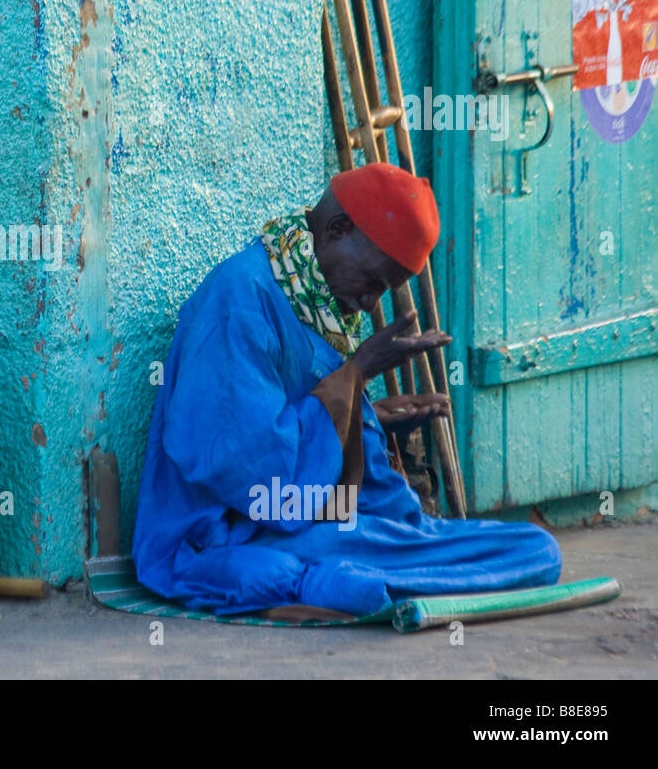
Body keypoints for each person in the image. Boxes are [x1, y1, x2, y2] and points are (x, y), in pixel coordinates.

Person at [132, 163, 561, 619]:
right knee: (314, 572)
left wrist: (367, 426)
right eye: (374, 282)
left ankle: (353, 577)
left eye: (386, 290)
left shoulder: (320, 306)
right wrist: (354, 376)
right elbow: (250, 474)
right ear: (337, 229)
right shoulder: (240, 300)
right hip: (227, 533)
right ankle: (328, 582)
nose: (371, 303)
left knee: (537, 548)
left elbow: (350, 481)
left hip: (316, 520)